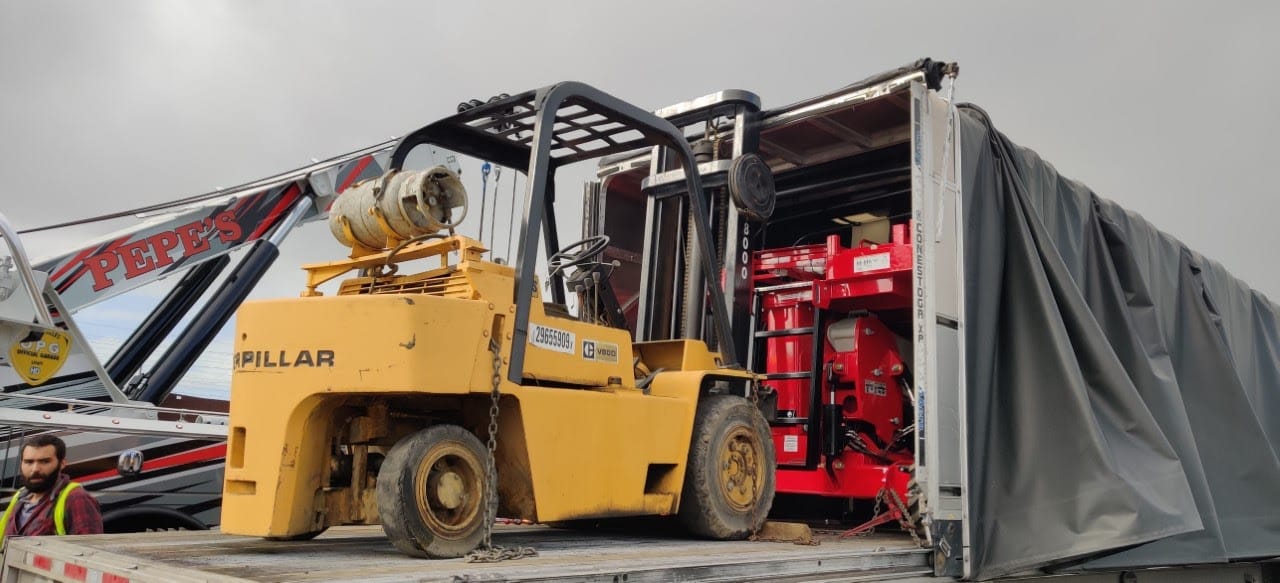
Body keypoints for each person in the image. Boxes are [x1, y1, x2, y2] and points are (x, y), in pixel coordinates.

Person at [0, 434, 103, 547]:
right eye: (29, 462)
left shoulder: (76, 498)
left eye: (45, 462)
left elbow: (90, 552)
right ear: (21, 464)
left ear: (62, 464)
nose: (35, 469)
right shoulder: (20, 496)